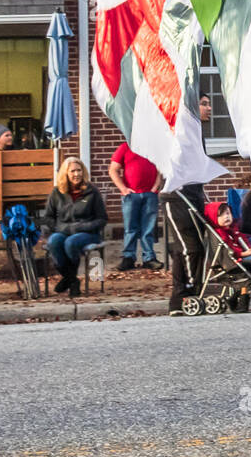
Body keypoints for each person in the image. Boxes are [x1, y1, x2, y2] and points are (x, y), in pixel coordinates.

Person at [163, 93, 215, 314]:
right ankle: (193, 289)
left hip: (194, 195)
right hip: (176, 197)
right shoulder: (180, 132)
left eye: (208, 104)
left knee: (183, 248)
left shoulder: (197, 134)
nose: (209, 108)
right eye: (204, 104)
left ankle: (178, 299)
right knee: (190, 247)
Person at [38, 158, 109, 294]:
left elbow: (102, 219)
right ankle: (72, 279)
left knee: (71, 243)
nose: (77, 174)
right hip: (63, 230)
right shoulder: (57, 193)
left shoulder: (92, 191)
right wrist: (62, 228)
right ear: (65, 174)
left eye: (79, 170)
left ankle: (68, 279)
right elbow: (48, 218)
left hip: (88, 233)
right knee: (54, 241)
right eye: (73, 171)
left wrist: (83, 227)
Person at [108, 141, 163, 271]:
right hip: (131, 196)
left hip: (150, 194)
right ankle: (128, 257)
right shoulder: (125, 147)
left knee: (148, 228)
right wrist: (123, 189)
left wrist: (155, 187)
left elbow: (161, 167)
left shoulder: (153, 146)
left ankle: (149, 258)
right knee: (130, 228)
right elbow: (113, 169)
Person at [203, 200, 251, 293]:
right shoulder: (219, 234)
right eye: (221, 215)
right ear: (214, 218)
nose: (226, 216)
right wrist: (244, 253)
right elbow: (228, 249)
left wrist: (248, 248)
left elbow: (242, 239)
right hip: (231, 261)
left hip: (240, 255)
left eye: (228, 213)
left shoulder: (232, 229)